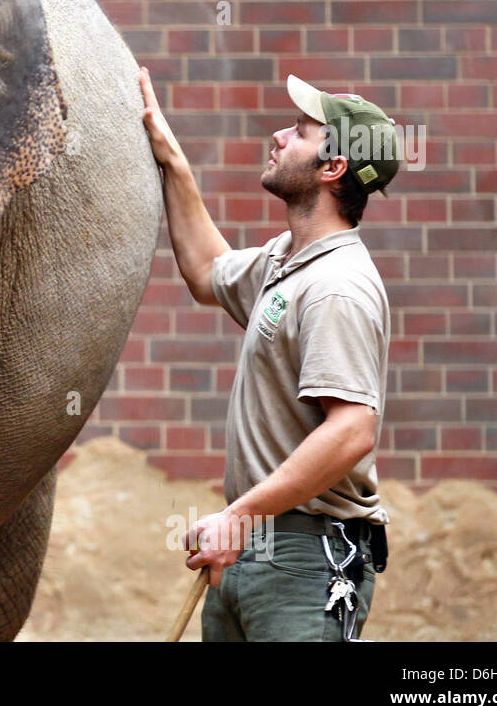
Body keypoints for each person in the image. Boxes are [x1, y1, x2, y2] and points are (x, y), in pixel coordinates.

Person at [139, 68, 398, 641]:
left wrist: (237, 517)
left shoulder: (338, 285)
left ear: (333, 168)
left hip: (307, 561)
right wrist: (171, 160)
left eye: (301, 132)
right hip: (253, 549)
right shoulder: (288, 260)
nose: (280, 136)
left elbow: (354, 430)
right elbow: (208, 271)